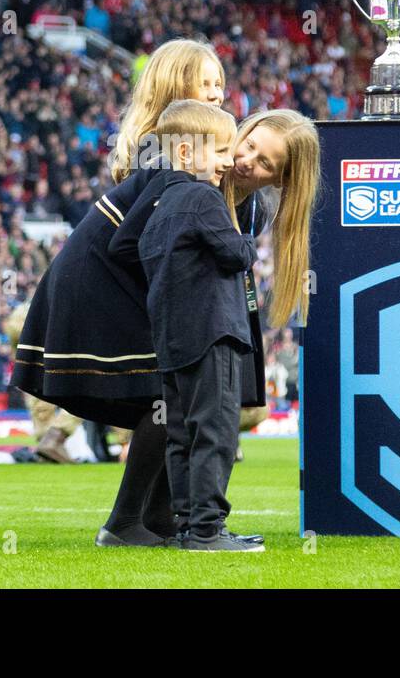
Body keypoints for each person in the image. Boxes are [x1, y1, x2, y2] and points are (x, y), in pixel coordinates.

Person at [12, 39, 227, 546]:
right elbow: (140, 240)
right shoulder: (173, 152)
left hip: (107, 270)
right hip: (101, 278)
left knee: (167, 393)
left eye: (220, 83)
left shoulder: (167, 146)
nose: (217, 93)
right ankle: (126, 522)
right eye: (205, 83)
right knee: (166, 391)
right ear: (176, 87)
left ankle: (156, 519)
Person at [125, 100, 260, 551]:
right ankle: (207, 529)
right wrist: (247, 239)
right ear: (186, 153)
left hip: (172, 340)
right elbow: (236, 255)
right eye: (220, 150)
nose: (228, 162)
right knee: (216, 432)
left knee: (181, 436)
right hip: (212, 332)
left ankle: (186, 527)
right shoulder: (203, 197)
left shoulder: (161, 206)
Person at [4, 300, 82, 462]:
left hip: (25, 324)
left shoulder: (24, 311)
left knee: (38, 390)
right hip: (59, 325)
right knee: (86, 387)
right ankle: (54, 438)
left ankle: (45, 442)